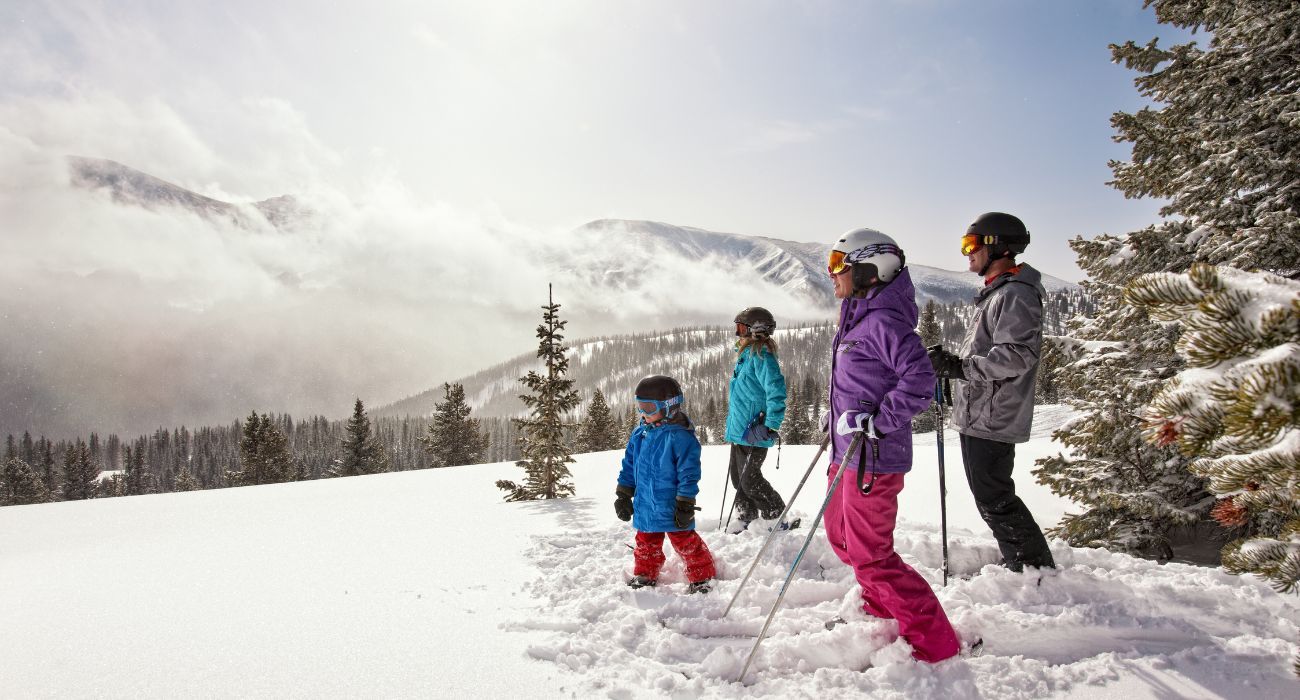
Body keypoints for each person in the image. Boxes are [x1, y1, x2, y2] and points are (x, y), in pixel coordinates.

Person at [823, 227, 961, 663]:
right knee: (842, 540)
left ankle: (935, 643)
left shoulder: (883, 321)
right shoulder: (858, 317)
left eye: (837, 265)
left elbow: (919, 380)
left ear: (870, 268)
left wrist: (879, 421)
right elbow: (861, 380)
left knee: (872, 557)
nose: (832, 275)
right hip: (845, 452)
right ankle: (883, 608)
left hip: (873, 461)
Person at [928, 211, 1056, 573]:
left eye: (971, 244)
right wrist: (954, 364)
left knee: (994, 495)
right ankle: (1024, 561)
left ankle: (1032, 566)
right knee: (989, 493)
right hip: (982, 412)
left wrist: (961, 367)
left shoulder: (1014, 295)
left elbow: (1016, 356)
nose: (966, 252)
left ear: (996, 245)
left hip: (994, 414)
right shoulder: (998, 294)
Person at [615, 375, 717, 594]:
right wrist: (624, 493)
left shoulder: (681, 438)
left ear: (669, 407)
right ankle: (645, 573)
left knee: (685, 541)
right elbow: (629, 464)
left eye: (649, 408)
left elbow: (689, 474)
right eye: (640, 407)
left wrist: (685, 503)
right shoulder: (639, 434)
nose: (643, 413)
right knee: (645, 541)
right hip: (645, 503)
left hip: (672, 504)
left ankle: (702, 576)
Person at [723, 306, 788, 531]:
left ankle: (776, 516)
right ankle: (746, 515)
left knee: (750, 479)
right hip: (740, 430)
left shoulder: (762, 356)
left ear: (756, 330)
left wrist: (770, 426)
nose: (738, 333)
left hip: (755, 430)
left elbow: (777, 391)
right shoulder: (746, 355)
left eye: (741, 328)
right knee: (737, 478)